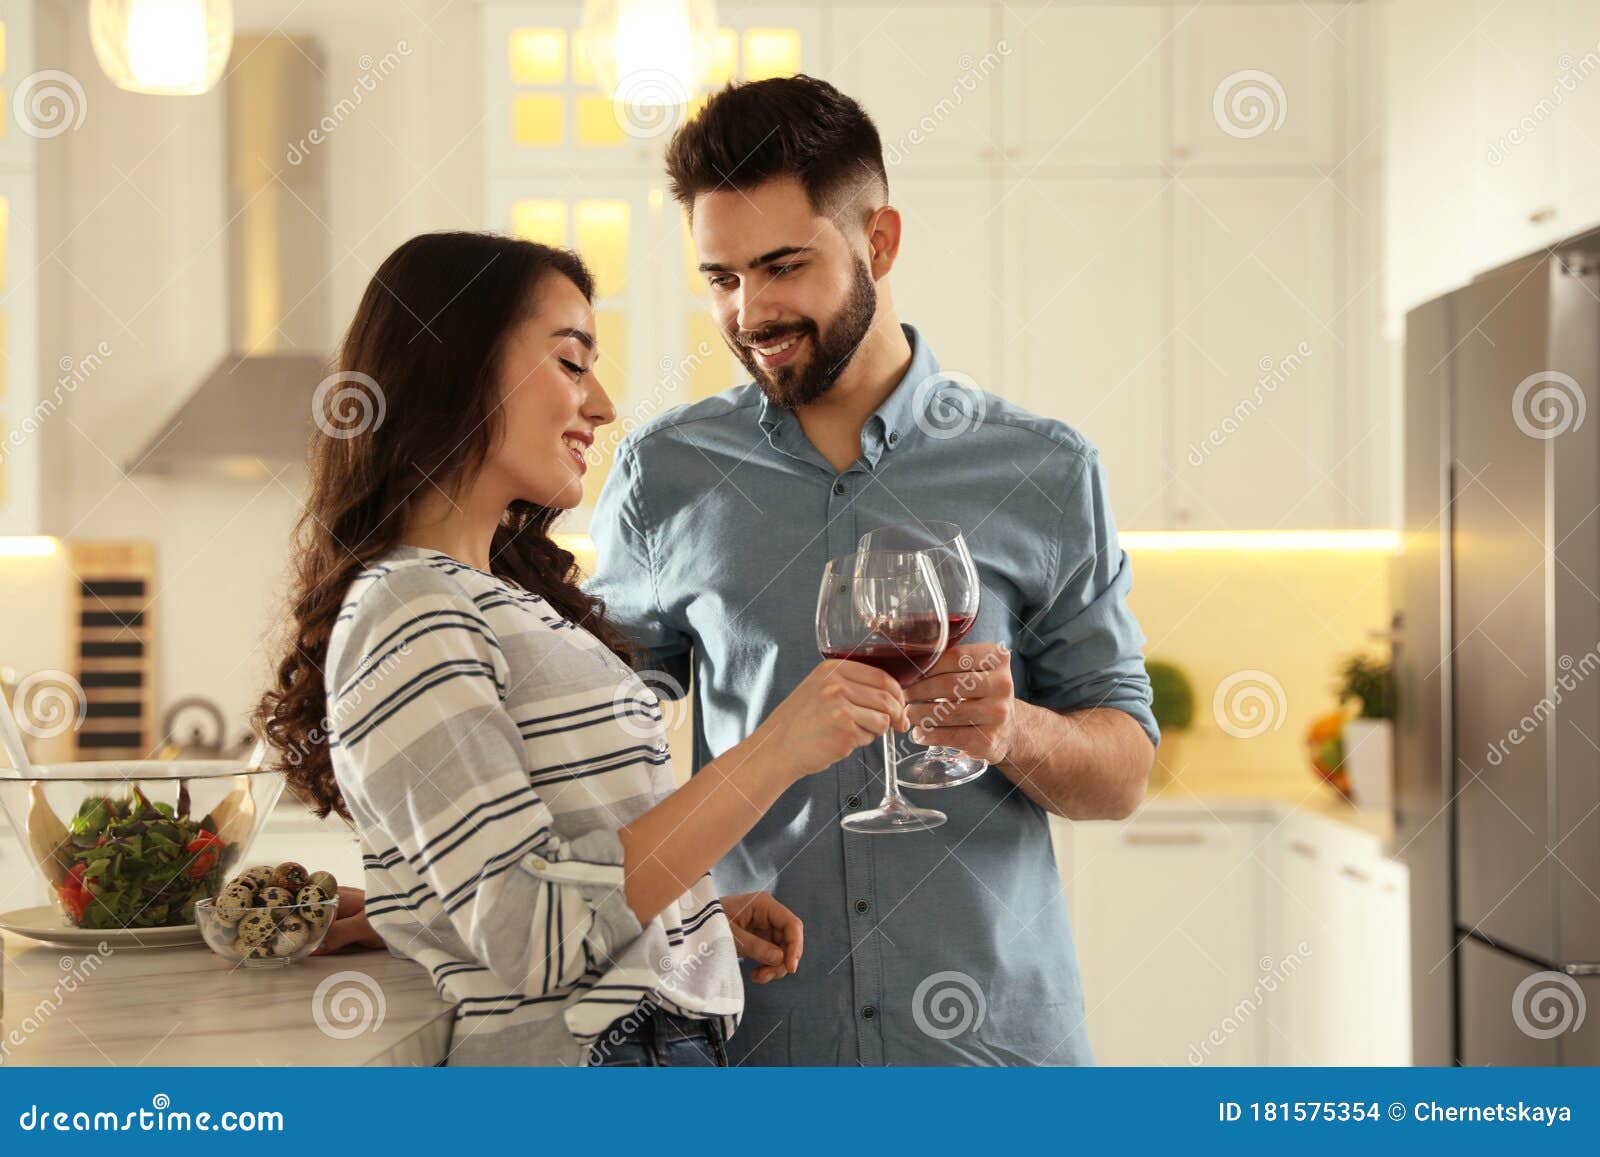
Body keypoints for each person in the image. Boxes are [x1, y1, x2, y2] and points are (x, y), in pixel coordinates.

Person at [587, 76, 1160, 1066]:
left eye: (781, 266)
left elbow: (1124, 773)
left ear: (879, 242)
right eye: (719, 277)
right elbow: (601, 754)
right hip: (765, 1038)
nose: (750, 311)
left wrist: (1013, 728)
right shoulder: (667, 473)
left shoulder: (1042, 468)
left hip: (993, 1053)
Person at [252, 231, 912, 1067]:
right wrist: (780, 749)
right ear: (455, 365)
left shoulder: (480, 599)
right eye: (571, 363)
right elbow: (535, 935)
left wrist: (688, 913)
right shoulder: (409, 608)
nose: (601, 404)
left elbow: (540, 887)